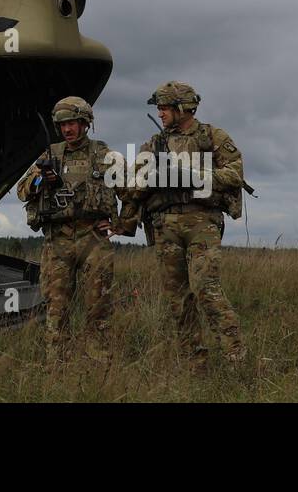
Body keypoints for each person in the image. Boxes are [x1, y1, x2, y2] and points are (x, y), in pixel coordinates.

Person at [125, 81, 246, 366]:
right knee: (177, 299)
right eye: (159, 108)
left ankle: (235, 357)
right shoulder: (153, 144)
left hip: (202, 222)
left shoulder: (211, 136)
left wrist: (193, 174)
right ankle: (195, 364)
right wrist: (149, 178)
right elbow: (131, 184)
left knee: (206, 289)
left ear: (183, 108)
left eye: (165, 108)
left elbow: (235, 173)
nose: (161, 113)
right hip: (164, 226)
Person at [16, 96, 122, 360]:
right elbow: (21, 191)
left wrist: (119, 224)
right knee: (55, 309)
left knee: (98, 307)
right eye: (63, 125)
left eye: (73, 123)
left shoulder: (103, 154)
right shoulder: (50, 155)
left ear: (85, 123)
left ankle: (99, 368)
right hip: (58, 241)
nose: (68, 129)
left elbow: (128, 191)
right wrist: (42, 179)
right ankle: (57, 368)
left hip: (93, 239)